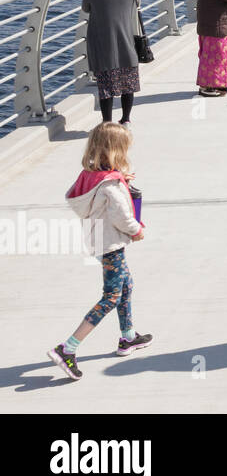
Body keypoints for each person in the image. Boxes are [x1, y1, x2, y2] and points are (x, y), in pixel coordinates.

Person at [48, 122, 151, 380]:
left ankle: (128, 336)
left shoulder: (90, 176)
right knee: (110, 297)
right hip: (111, 245)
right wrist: (136, 230)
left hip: (98, 240)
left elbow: (100, 197)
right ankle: (67, 348)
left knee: (126, 285)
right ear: (117, 151)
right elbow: (122, 217)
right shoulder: (111, 185)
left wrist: (121, 181)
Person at [82, 0, 141, 124]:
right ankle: (126, 119)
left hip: (103, 47)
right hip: (126, 45)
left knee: (106, 89)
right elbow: (134, 4)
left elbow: (86, 8)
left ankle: (107, 122)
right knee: (127, 86)